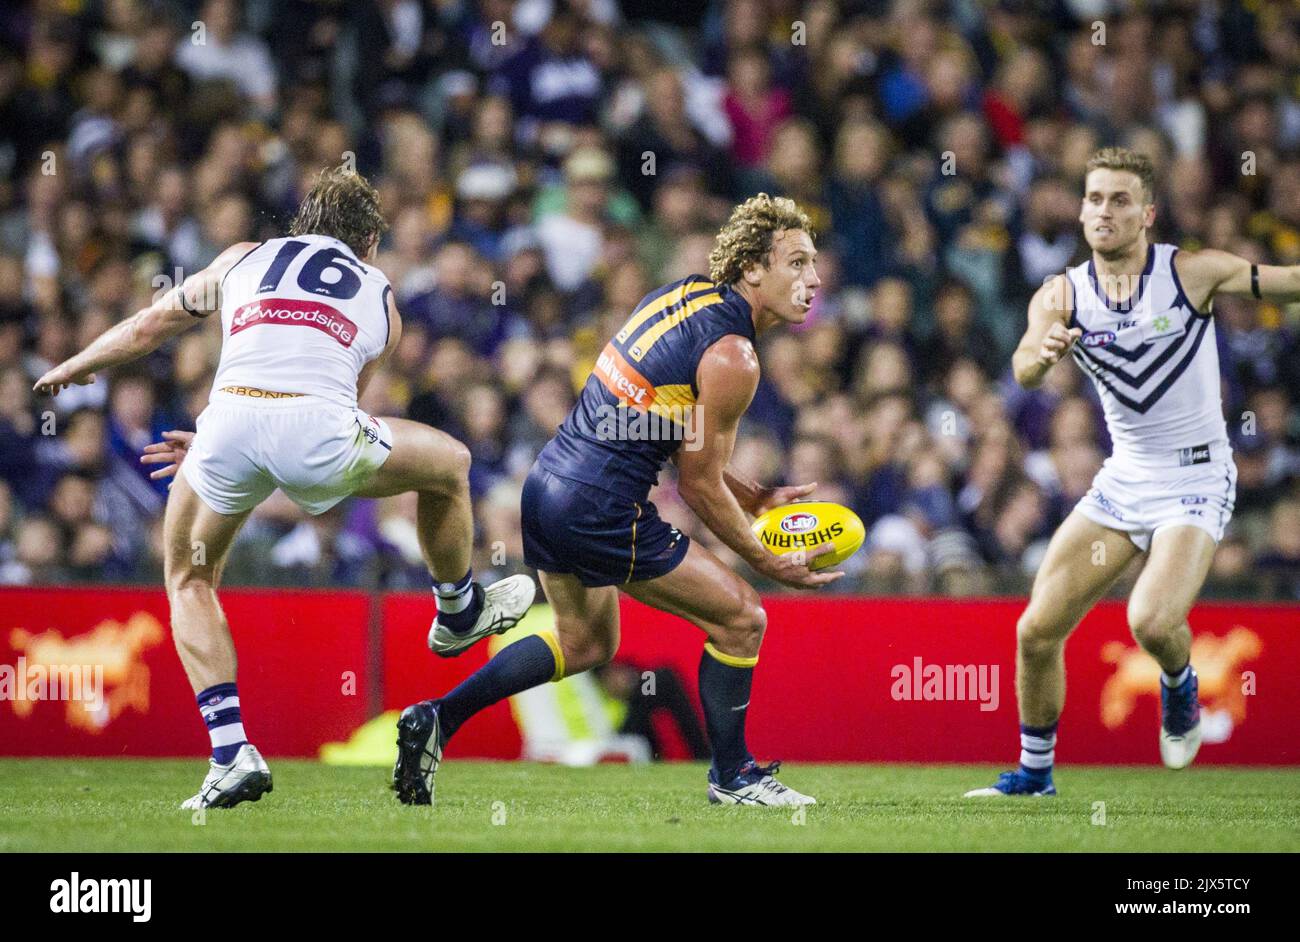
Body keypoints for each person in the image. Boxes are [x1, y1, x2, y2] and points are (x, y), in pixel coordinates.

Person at [34, 168, 534, 810]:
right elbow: (334, 409)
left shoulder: (243, 256)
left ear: (302, 223)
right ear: (372, 240)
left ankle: (230, 752)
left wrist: (78, 366)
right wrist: (279, 445)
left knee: (188, 579)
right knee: (452, 465)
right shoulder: (382, 295)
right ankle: (457, 608)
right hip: (318, 432)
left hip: (228, 425)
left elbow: (146, 328)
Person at [391, 193, 841, 808]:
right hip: (600, 507)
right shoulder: (735, 356)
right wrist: (765, 561)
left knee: (584, 643)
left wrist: (756, 493)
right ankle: (733, 777)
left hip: (547, 487)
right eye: (796, 262)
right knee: (742, 616)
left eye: (813, 263)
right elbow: (698, 484)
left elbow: (687, 446)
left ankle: (436, 718)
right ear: (753, 268)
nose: (813, 279)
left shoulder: (684, 296)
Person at [967, 148, 1300, 797]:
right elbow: (1022, 367)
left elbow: (1283, 281)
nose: (1104, 211)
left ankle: (1180, 683)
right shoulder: (1062, 294)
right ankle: (1036, 776)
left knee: (1149, 621)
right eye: (1094, 199)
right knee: (1035, 630)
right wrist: (1045, 353)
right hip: (1125, 479)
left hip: (1197, 478)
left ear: (1147, 213)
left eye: (1120, 200)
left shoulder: (1191, 273)